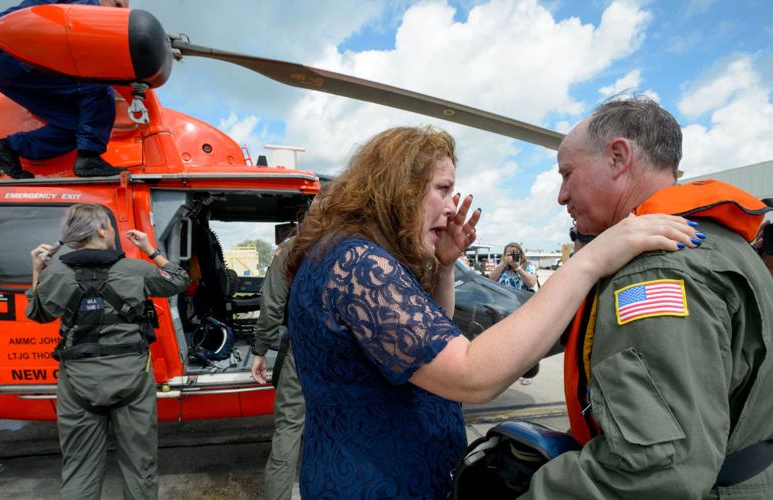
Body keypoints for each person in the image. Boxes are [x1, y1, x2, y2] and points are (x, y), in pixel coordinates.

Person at [282, 126, 698, 499]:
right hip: (378, 482)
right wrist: (590, 260)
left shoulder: (342, 253)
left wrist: (445, 266)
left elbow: (427, 340)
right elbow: (470, 375)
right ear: (401, 187)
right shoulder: (359, 264)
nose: (451, 208)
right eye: (442, 189)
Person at [523, 96, 773, 498]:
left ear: (618, 158)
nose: (562, 195)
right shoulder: (721, 244)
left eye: (568, 174)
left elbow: (655, 471)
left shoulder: (656, 270)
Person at [26, 204, 189, 499]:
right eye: (110, 226)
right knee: (140, 467)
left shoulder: (55, 275)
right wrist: (150, 250)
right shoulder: (136, 270)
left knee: (79, 470)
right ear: (102, 230)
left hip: (77, 381)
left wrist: (37, 271)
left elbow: (38, 313)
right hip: (132, 380)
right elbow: (178, 280)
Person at [0, 0, 129, 179]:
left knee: (73, 127)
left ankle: (8, 148)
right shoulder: (87, 8)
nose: (118, 15)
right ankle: (89, 159)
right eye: (117, 5)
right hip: (8, 47)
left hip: (3, 61)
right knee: (97, 88)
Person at [251, 236, 303, 500]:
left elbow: (272, 307)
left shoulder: (293, 246)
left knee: (290, 427)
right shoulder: (362, 240)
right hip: (350, 353)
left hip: (304, 349)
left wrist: (260, 350)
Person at [490, 243, 540, 385]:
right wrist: (503, 263)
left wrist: (518, 267)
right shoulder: (503, 268)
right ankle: (507, 373)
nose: (512, 256)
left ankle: (528, 373)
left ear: (520, 254)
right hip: (503, 312)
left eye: (514, 253)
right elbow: (491, 279)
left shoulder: (527, 266)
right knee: (506, 344)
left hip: (522, 311)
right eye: (509, 253)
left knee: (526, 344)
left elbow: (531, 283)